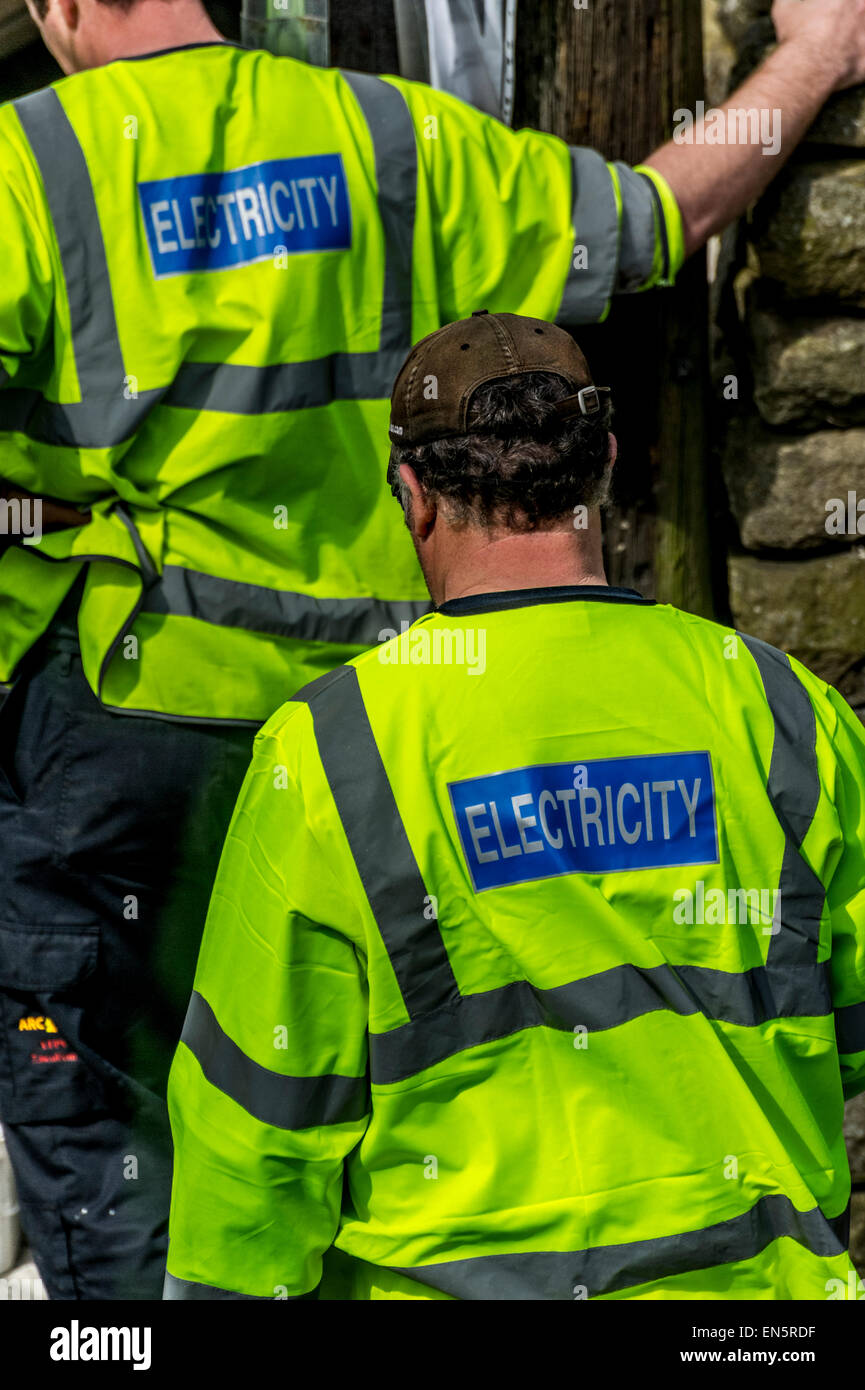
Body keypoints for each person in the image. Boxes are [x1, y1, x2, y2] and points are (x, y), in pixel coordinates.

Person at [2, 0, 864, 1303]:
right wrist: (819, 55)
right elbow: (654, 219)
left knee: (111, 1105)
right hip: (395, 727)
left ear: (63, 10)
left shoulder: (27, 164)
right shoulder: (387, 138)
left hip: (139, 722)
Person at [165, 310, 865, 1301]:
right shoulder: (781, 709)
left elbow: (253, 1138)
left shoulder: (332, 752)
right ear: (604, 466)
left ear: (412, 500)